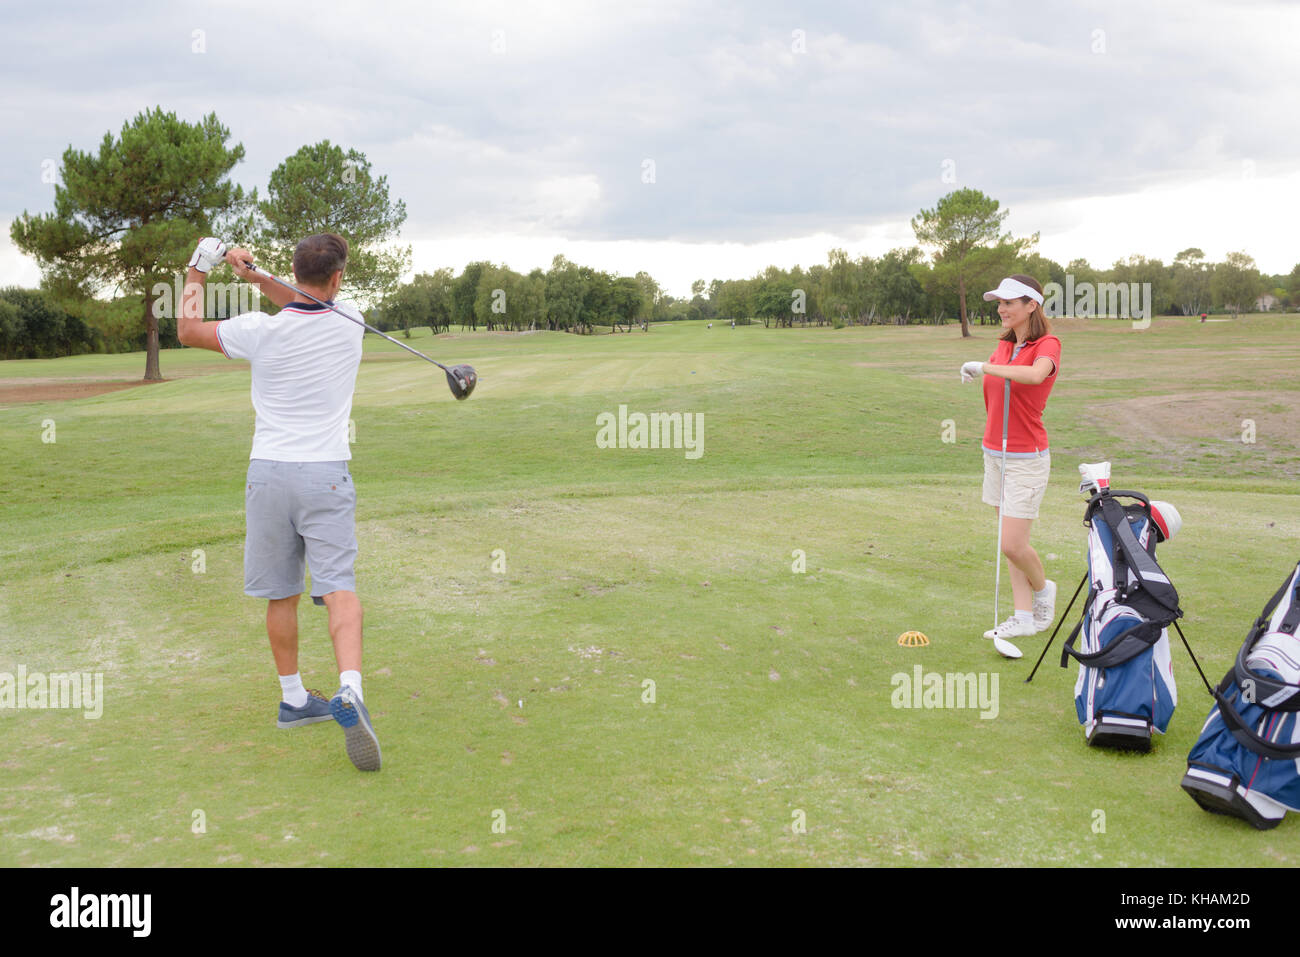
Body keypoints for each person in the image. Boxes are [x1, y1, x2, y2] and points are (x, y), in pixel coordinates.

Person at [178, 234, 381, 772]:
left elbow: (187, 330)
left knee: (281, 593)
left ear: (293, 269)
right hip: (325, 476)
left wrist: (202, 265)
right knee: (337, 587)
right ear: (338, 278)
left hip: (267, 474)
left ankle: (293, 699)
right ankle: (350, 690)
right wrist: (255, 276)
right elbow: (305, 300)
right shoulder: (353, 322)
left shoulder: (258, 332)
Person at [960, 274, 1061, 644]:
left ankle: (1043, 588)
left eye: (1009, 303)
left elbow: (1035, 376)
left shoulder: (1047, 344)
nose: (1001, 309)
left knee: (1013, 545)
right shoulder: (1002, 346)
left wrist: (984, 367)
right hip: (994, 453)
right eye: (999, 303)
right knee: (1008, 540)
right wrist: (979, 369)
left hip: (1026, 458)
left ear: (1031, 305)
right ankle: (1022, 616)